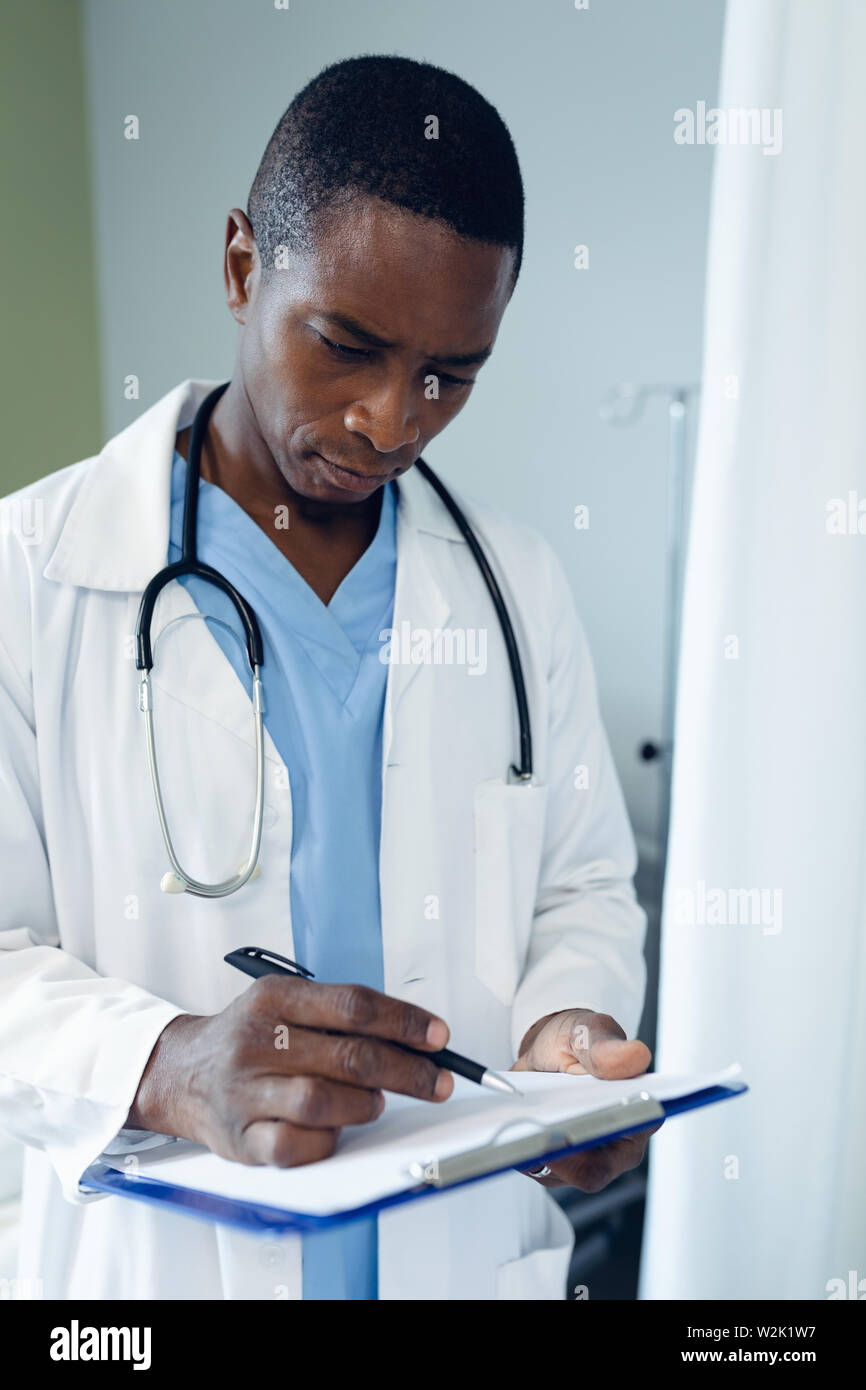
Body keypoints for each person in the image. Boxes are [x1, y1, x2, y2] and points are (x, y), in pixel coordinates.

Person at [0, 55, 651, 1301]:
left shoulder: (514, 588)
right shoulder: (34, 577)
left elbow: (578, 888)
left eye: (447, 376)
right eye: (347, 347)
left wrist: (562, 1034)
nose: (390, 422)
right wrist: (168, 1064)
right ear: (243, 265)